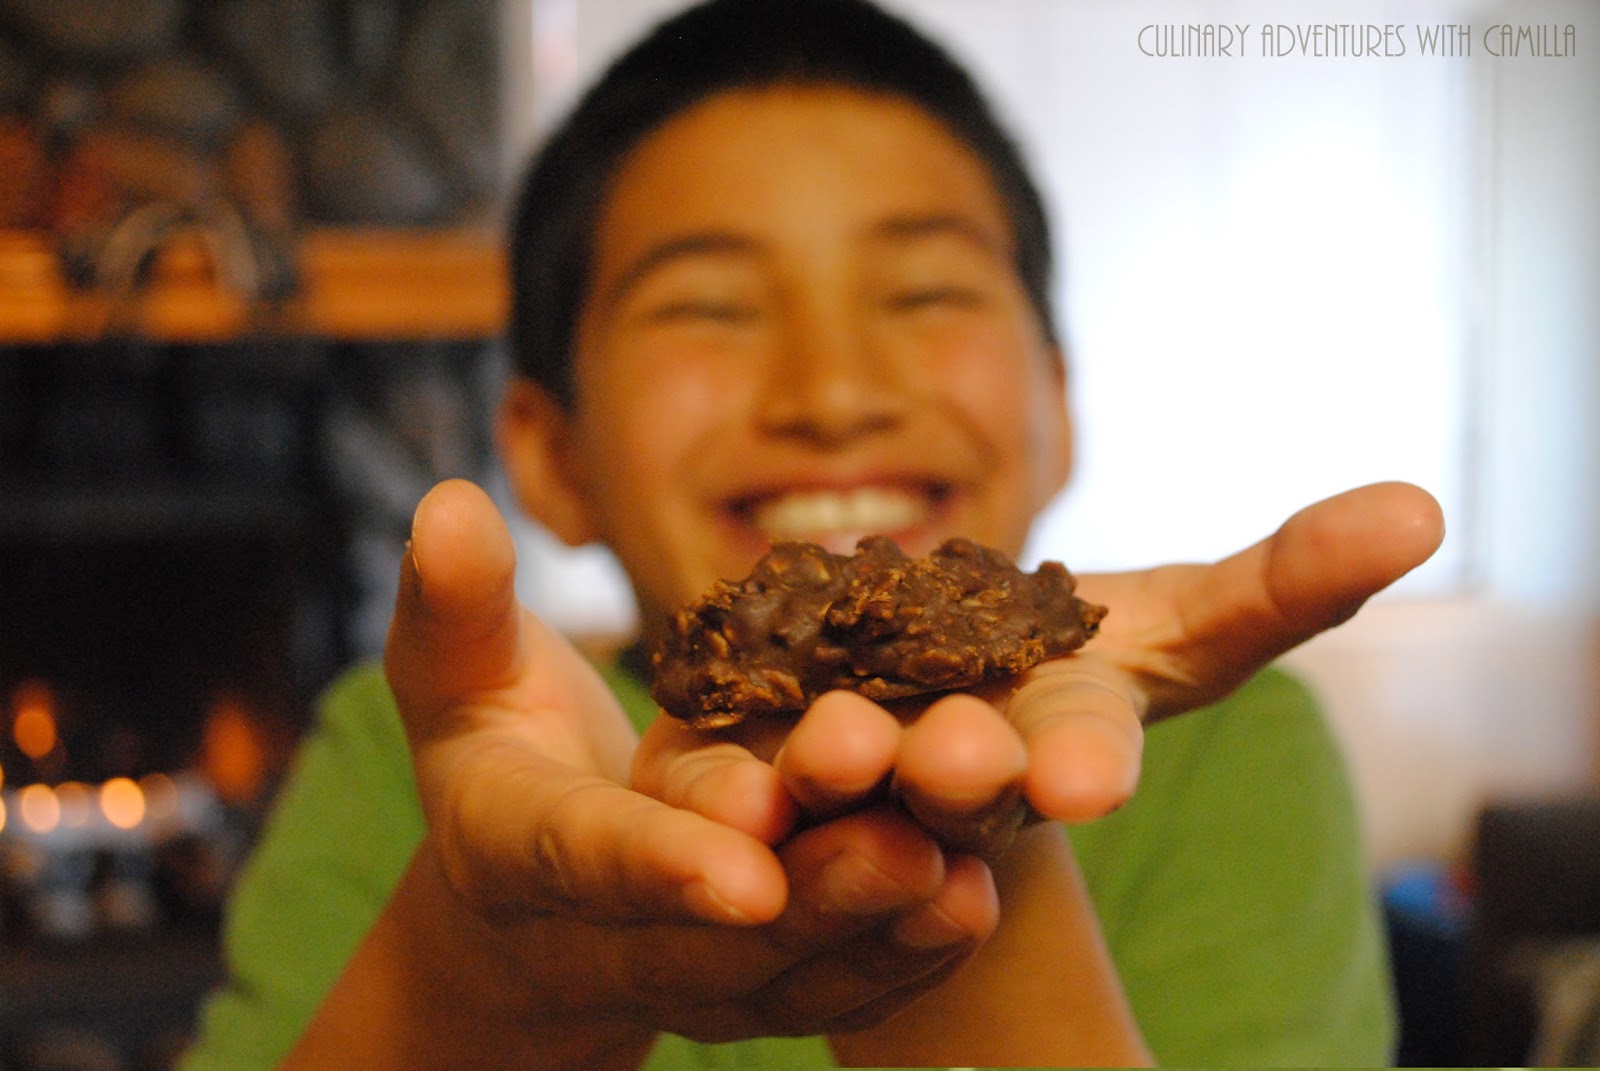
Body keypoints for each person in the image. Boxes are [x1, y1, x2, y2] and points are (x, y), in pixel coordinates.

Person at [181, 0, 1445, 1067]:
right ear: (551, 454)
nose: (833, 391)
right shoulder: (401, 756)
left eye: (925, 292)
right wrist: (497, 967)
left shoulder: (1230, 758)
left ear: (1058, 407)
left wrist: (967, 888)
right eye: (711, 307)